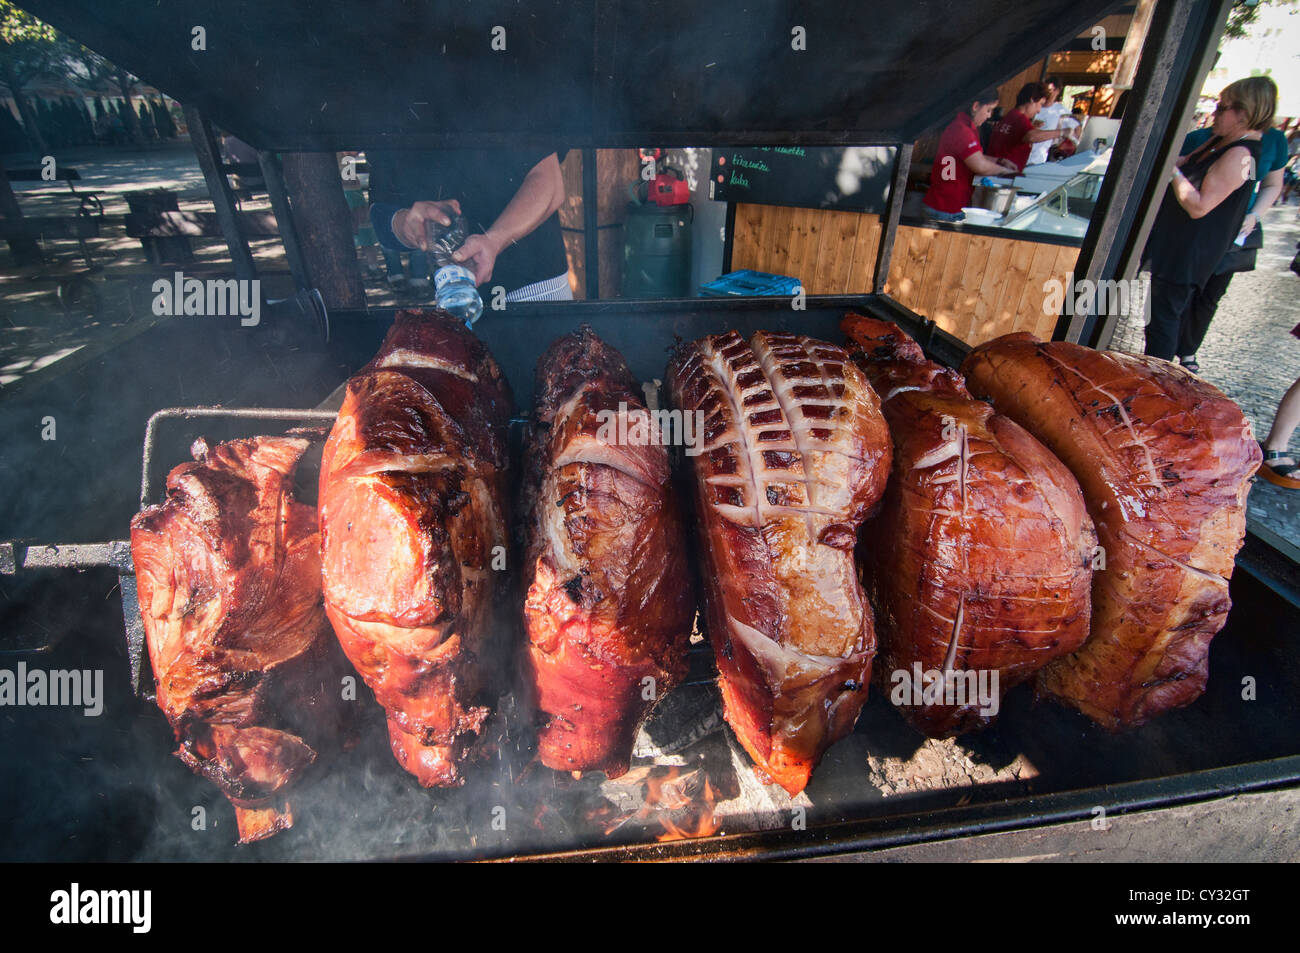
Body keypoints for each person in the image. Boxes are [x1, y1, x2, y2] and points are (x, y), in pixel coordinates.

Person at [1140, 77, 1272, 364]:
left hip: (1190, 251)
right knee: (1158, 316)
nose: (1215, 112)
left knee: (1163, 320)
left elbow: (1199, 206)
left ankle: (1156, 384)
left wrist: (1171, 172)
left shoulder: (1240, 154)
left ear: (1244, 114)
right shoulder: (1222, 141)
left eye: (1222, 108)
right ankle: (1153, 377)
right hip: (1177, 244)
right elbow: (1184, 161)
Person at [1171, 85, 1288, 372]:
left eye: (1224, 107)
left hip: (1238, 230)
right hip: (1199, 227)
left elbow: (1273, 184)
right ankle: (1166, 352)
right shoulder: (1206, 137)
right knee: (1178, 293)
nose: (1217, 112)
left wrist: (1256, 214)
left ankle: (1187, 352)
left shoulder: (1272, 142)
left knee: (1210, 294)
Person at [368, 149, 571, 302]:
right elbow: (381, 209)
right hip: (451, 296)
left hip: (534, 287)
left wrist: (495, 240)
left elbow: (549, 181)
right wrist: (408, 226)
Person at [922, 88, 1019, 222]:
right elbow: (980, 165)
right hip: (946, 206)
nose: (989, 116)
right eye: (988, 110)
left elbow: (974, 156)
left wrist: (999, 161)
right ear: (975, 106)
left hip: (946, 204)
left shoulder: (964, 126)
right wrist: (1005, 171)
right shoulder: (962, 130)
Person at [987, 82, 1066, 173]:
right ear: (1032, 99)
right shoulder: (1020, 119)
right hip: (1002, 175)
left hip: (995, 172)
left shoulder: (1010, 116)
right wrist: (1062, 132)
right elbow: (1031, 136)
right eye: (1040, 104)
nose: (1039, 110)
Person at [1026, 76, 1067, 167]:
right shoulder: (1032, 105)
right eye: (1047, 89)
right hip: (1022, 157)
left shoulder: (1062, 112)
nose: (1048, 93)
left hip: (1039, 160)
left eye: (1052, 90)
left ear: (1057, 91)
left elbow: (1070, 135)